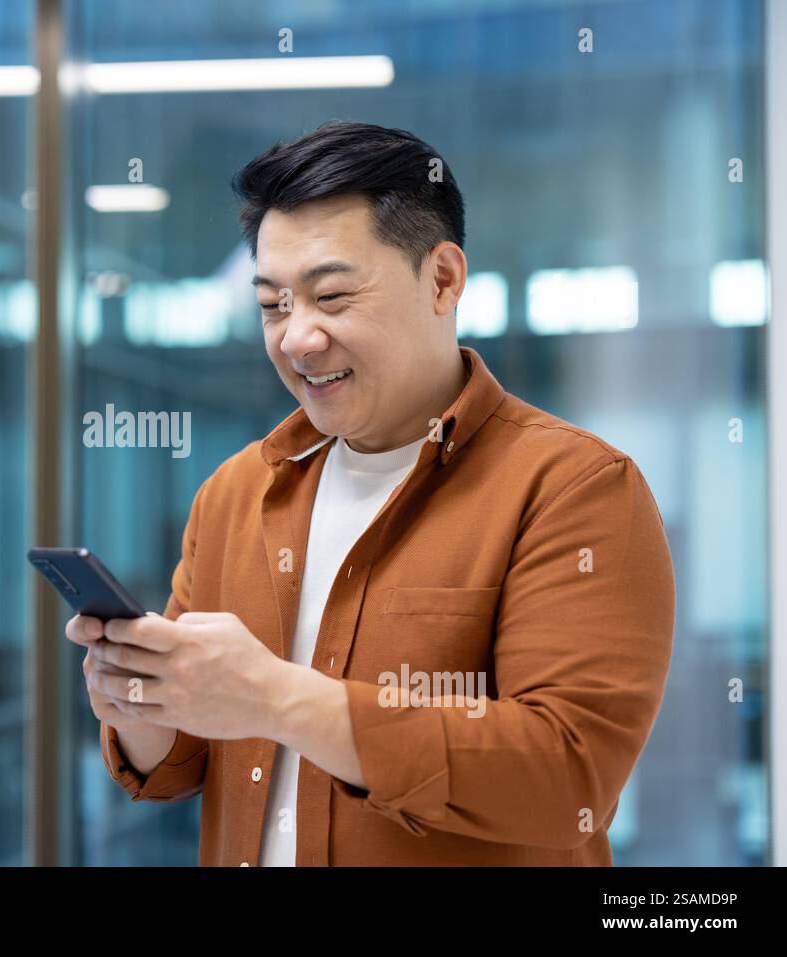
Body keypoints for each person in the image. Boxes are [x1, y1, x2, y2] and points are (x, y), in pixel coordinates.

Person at [66, 121, 675, 866]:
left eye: (331, 295)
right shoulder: (236, 493)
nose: (297, 338)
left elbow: (566, 775)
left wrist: (277, 697)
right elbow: (183, 761)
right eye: (272, 304)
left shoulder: (575, 490)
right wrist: (139, 699)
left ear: (443, 279)